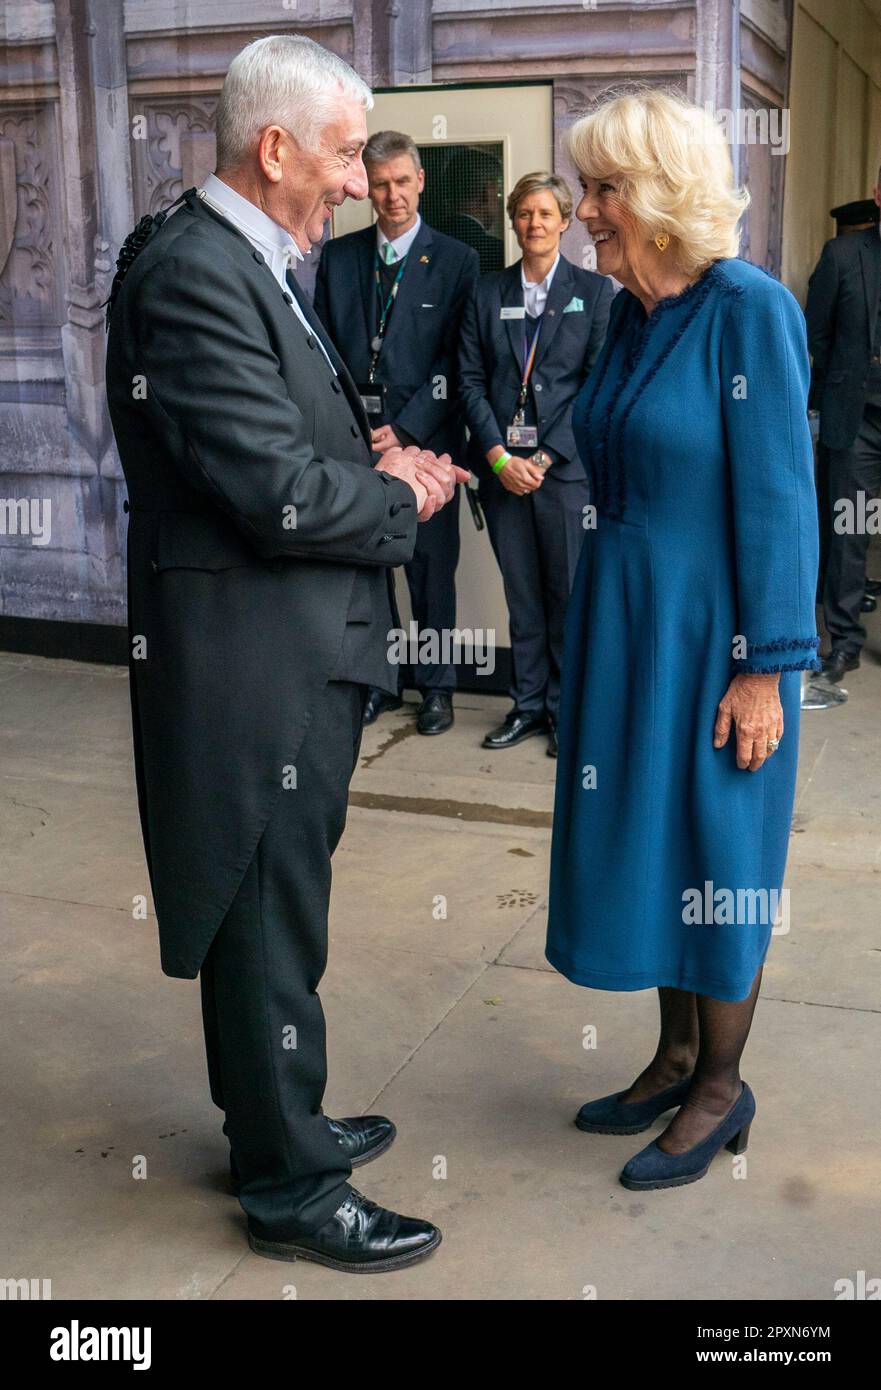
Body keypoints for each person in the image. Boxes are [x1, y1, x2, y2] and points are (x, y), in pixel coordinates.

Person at [105, 34, 468, 1272]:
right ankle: (289, 1189)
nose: (363, 178)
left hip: (293, 648)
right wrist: (402, 501)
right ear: (274, 150)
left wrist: (371, 457)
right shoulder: (196, 272)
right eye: (345, 149)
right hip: (256, 669)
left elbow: (283, 433)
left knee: (276, 914)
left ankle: (276, 1113)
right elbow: (271, 491)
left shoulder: (247, 257)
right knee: (264, 915)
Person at [545, 89, 821, 1190]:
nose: (582, 211)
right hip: (629, 627)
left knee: (717, 853)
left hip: (719, 640)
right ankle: (669, 1059)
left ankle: (721, 1086)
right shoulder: (630, 315)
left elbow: (780, 501)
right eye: (585, 188)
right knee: (655, 843)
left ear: (658, 201)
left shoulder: (746, 309)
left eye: (602, 189)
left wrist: (767, 668)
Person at [314, 130, 479, 734]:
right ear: (368, 189)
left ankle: (437, 689)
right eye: (379, 184)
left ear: (421, 182)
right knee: (368, 574)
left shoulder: (458, 261)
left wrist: (403, 429)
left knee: (432, 574)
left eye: (402, 181)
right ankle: (380, 682)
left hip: (428, 446)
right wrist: (362, 429)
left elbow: (458, 368)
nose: (391, 195)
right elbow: (324, 352)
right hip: (356, 444)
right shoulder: (338, 257)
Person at [458, 172, 613, 756]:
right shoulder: (485, 292)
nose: (534, 224)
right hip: (503, 474)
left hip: (563, 474)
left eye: (545, 214)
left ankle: (565, 712)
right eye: (523, 213)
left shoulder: (595, 294)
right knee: (520, 594)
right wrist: (498, 457)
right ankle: (526, 706)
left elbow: (595, 387)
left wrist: (544, 456)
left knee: (566, 595)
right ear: (512, 221)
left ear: (565, 221)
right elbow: (470, 381)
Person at [806, 173, 881, 682]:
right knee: (851, 529)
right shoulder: (843, 256)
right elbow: (817, 332)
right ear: (879, 197)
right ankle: (845, 639)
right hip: (858, 421)